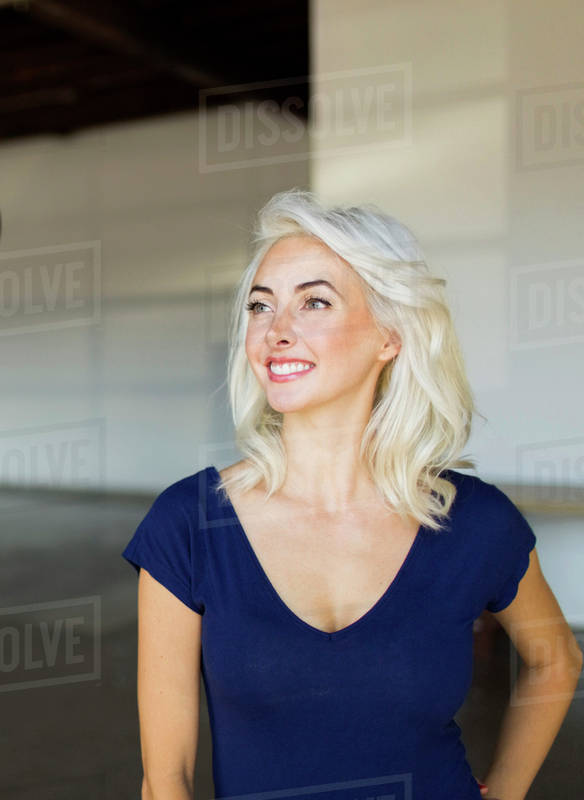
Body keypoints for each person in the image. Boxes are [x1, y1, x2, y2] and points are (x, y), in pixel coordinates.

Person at [123, 190, 582, 800]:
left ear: (390, 336)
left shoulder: (475, 521)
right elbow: (165, 780)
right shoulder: (187, 524)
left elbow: (555, 660)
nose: (276, 331)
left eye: (314, 301)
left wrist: (507, 791)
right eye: (261, 307)